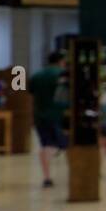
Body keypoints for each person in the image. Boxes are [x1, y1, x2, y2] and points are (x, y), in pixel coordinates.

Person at [28, 50, 68, 188]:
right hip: (59, 115)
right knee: (65, 144)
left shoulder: (36, 76)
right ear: (61, 61)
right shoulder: (62, 75)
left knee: (45, 145)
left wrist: (31, 115)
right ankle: (72, 174)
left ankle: (47, 177)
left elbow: (31, 97)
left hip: (40, 116)